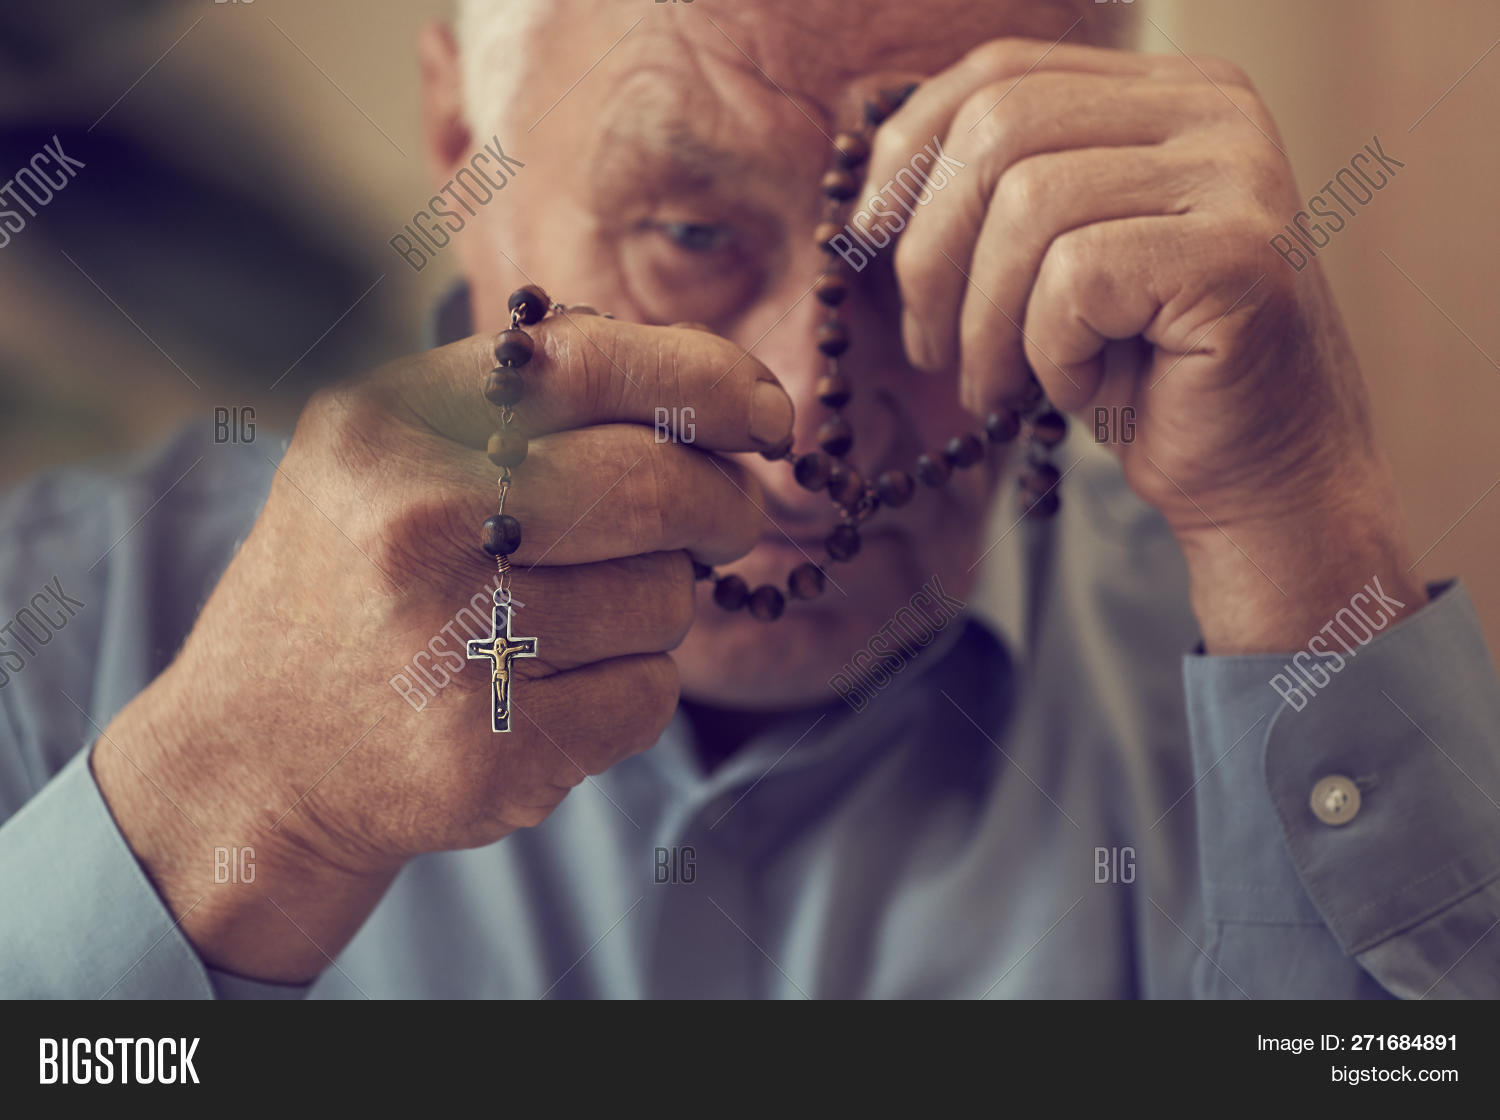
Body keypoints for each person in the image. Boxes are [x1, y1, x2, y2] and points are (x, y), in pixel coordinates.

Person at [2, 0, 1497, 999]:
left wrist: (1297, 514)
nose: (795, 440)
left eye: (934, 254)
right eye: (693, 233)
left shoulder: (1277, 680)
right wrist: (237, 813)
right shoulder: (50, 643)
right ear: (465, 130)